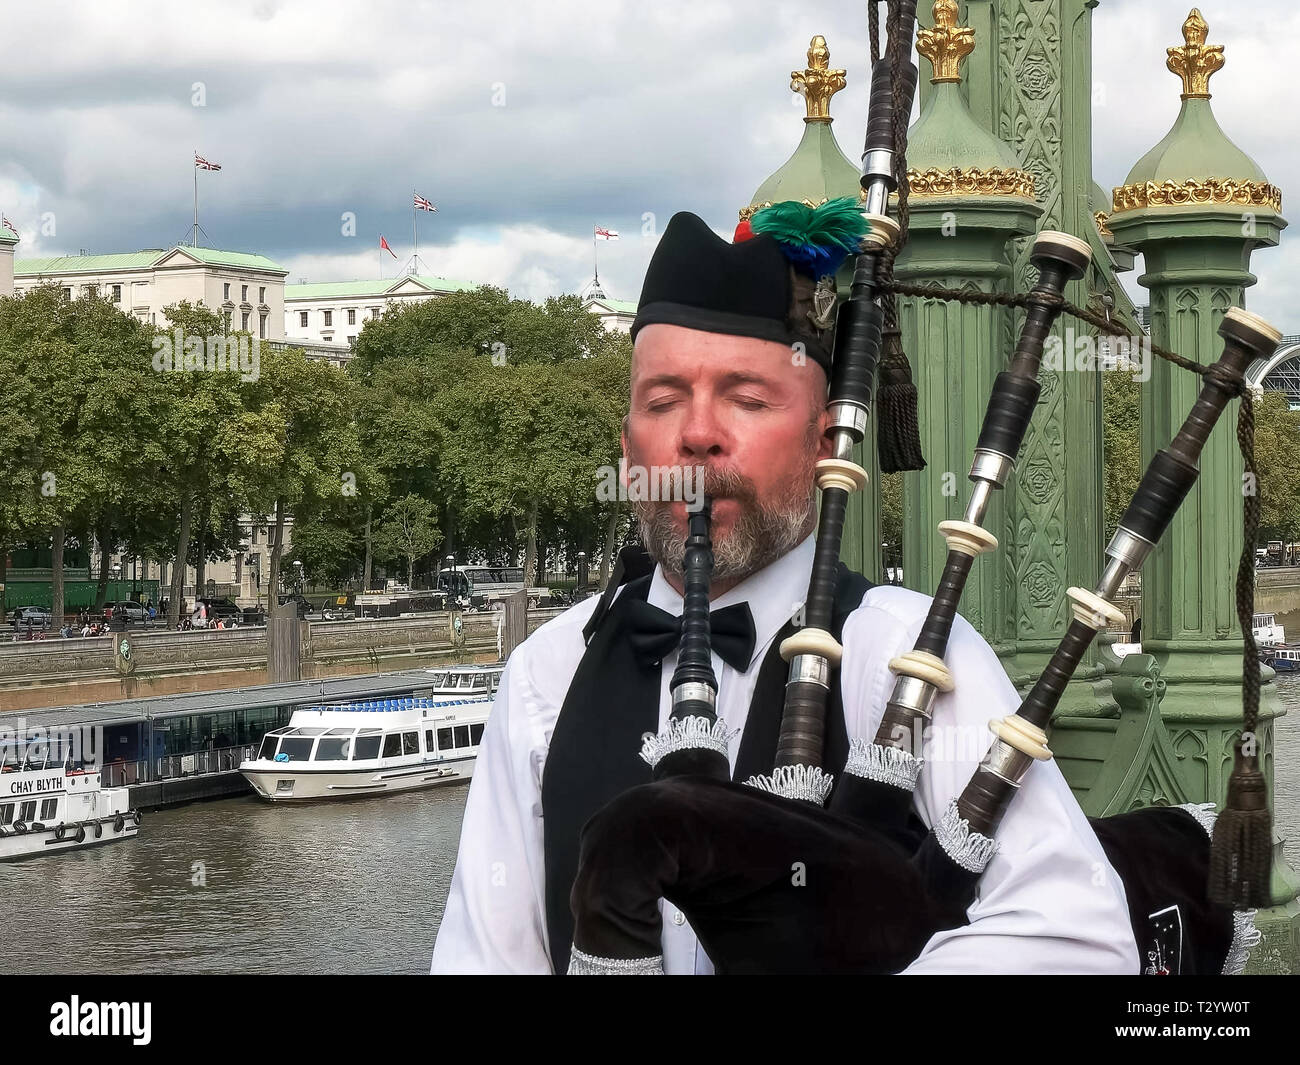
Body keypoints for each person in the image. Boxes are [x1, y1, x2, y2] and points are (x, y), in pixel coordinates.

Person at [430, 206, 1137, 976]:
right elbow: (486, 958)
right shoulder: (545, 673)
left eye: (746, 398)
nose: (697, 434)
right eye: (663, 400)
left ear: (826, 438)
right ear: (628, 445)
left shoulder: (899, 649)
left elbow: (1079, 934)